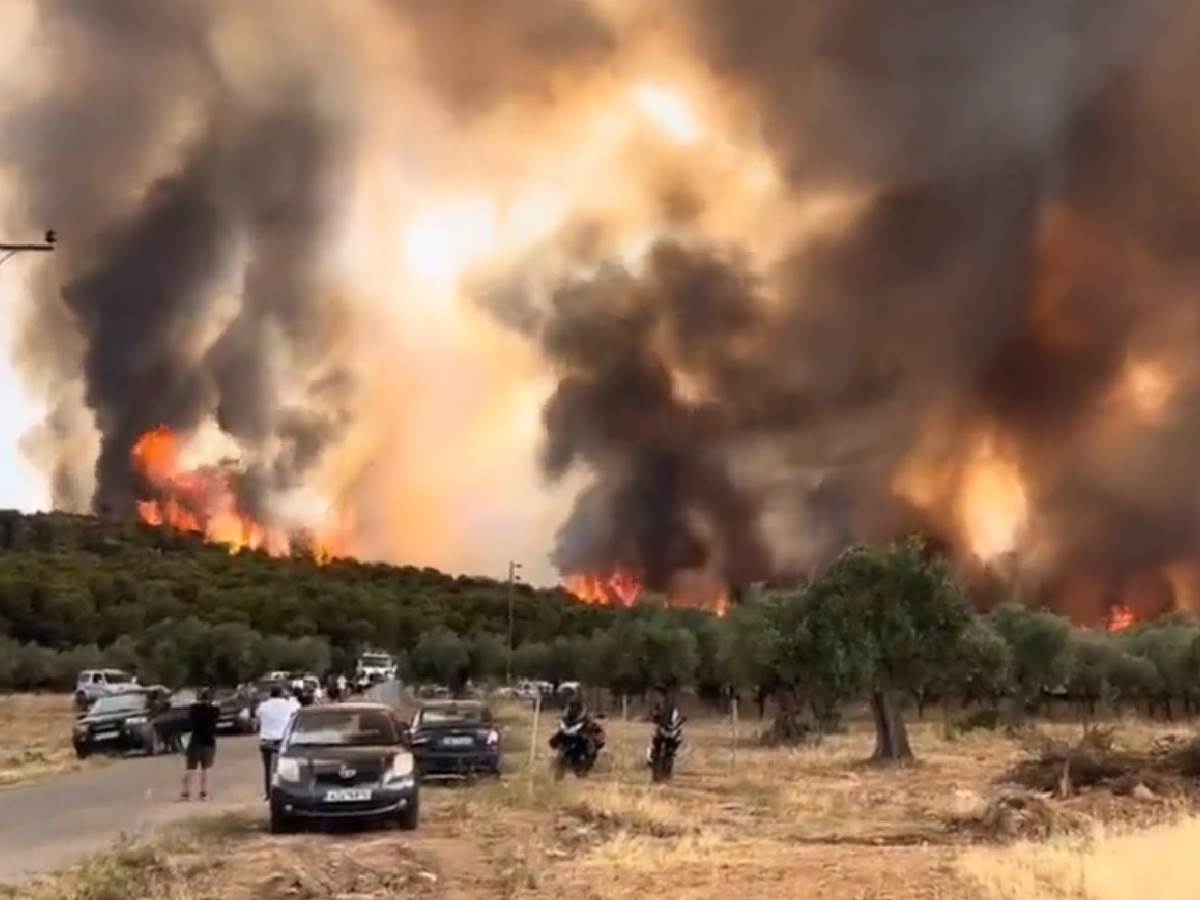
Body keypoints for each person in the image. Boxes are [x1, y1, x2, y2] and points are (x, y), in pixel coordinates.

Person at [256, 683, 300, 800]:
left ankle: (268, 793)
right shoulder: (289, 705)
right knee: (284, 768)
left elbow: (258, 718)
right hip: (282, 740)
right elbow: (298, 708)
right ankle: (284, 791)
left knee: (268, 769)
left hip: (266, 740)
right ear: (281, 693)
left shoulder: (263, 706)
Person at [180, 687, 220, 801]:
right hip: (209, 741)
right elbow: (216, 718)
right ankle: (204, 793)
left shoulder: (193, 709)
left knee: (190, 768)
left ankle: (185, 793)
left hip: (195, 740)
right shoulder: (214, 710)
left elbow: (189, 720)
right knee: (206, 768)